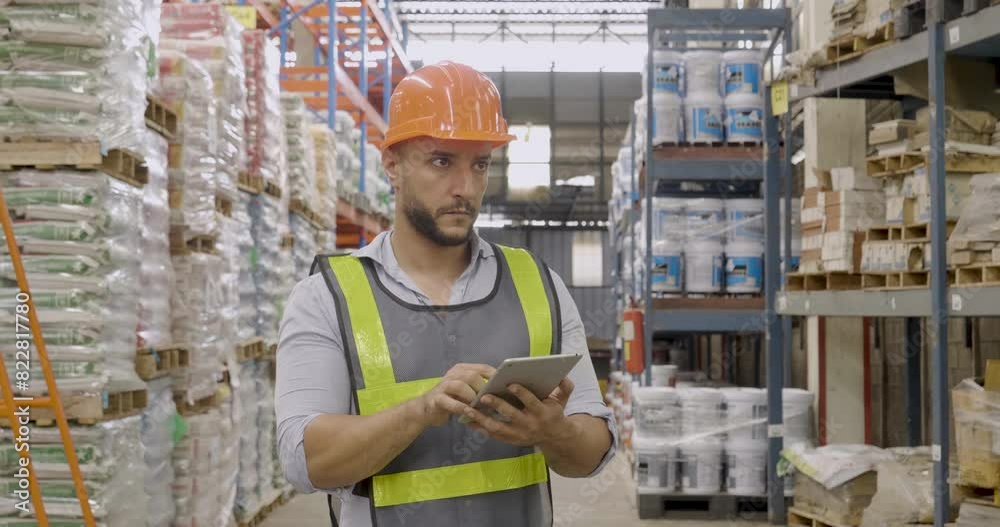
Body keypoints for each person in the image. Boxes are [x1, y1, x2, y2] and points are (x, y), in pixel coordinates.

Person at [276, 61, 616, 527]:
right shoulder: (326, 298)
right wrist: (419, 411)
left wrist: (554, 432)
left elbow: (593, 453)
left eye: (480, 164)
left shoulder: (539, 286)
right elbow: (304, 462)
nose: (465, 187)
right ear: (392, 166)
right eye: (442, 161)